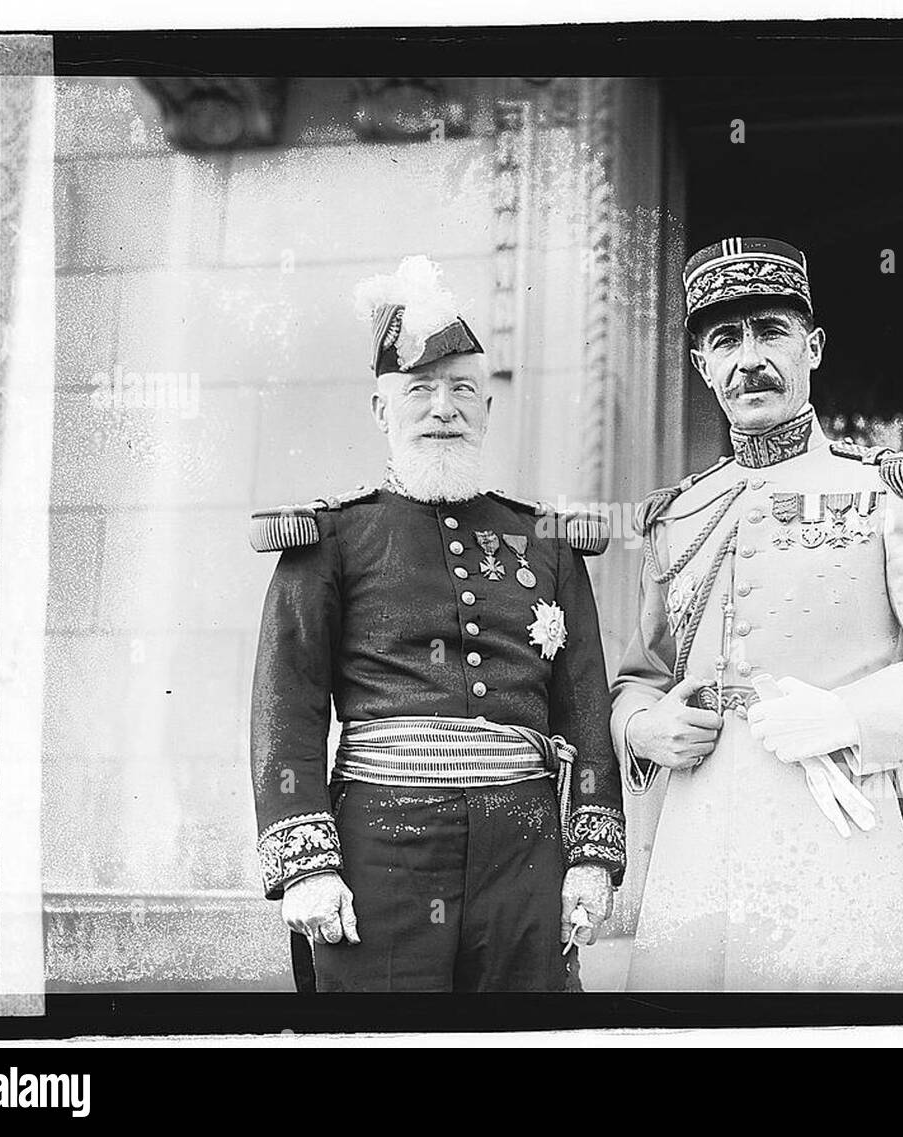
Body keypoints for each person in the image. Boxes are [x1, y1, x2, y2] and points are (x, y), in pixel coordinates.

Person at [611, 236, 903, 991]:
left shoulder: (883, 492)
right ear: (702, 366)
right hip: (694, 847)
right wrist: (642, 726)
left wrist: (852, 716)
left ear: (813, 347)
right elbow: (640, 676)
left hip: (836, 833)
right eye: (725, 340)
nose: (748, 358)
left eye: (771, 332)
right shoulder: (677, 516)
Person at [249, 256, 625, 992]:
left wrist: (590, 855)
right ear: (380, 410)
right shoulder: (329, 538)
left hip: (525, 853)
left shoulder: (547, 541)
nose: (443, 408)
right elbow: (285, 703)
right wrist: (306, 864)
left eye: (462, 391)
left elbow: (586, 706)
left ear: (487, 409)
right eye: (419, 391)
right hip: (380, 850)